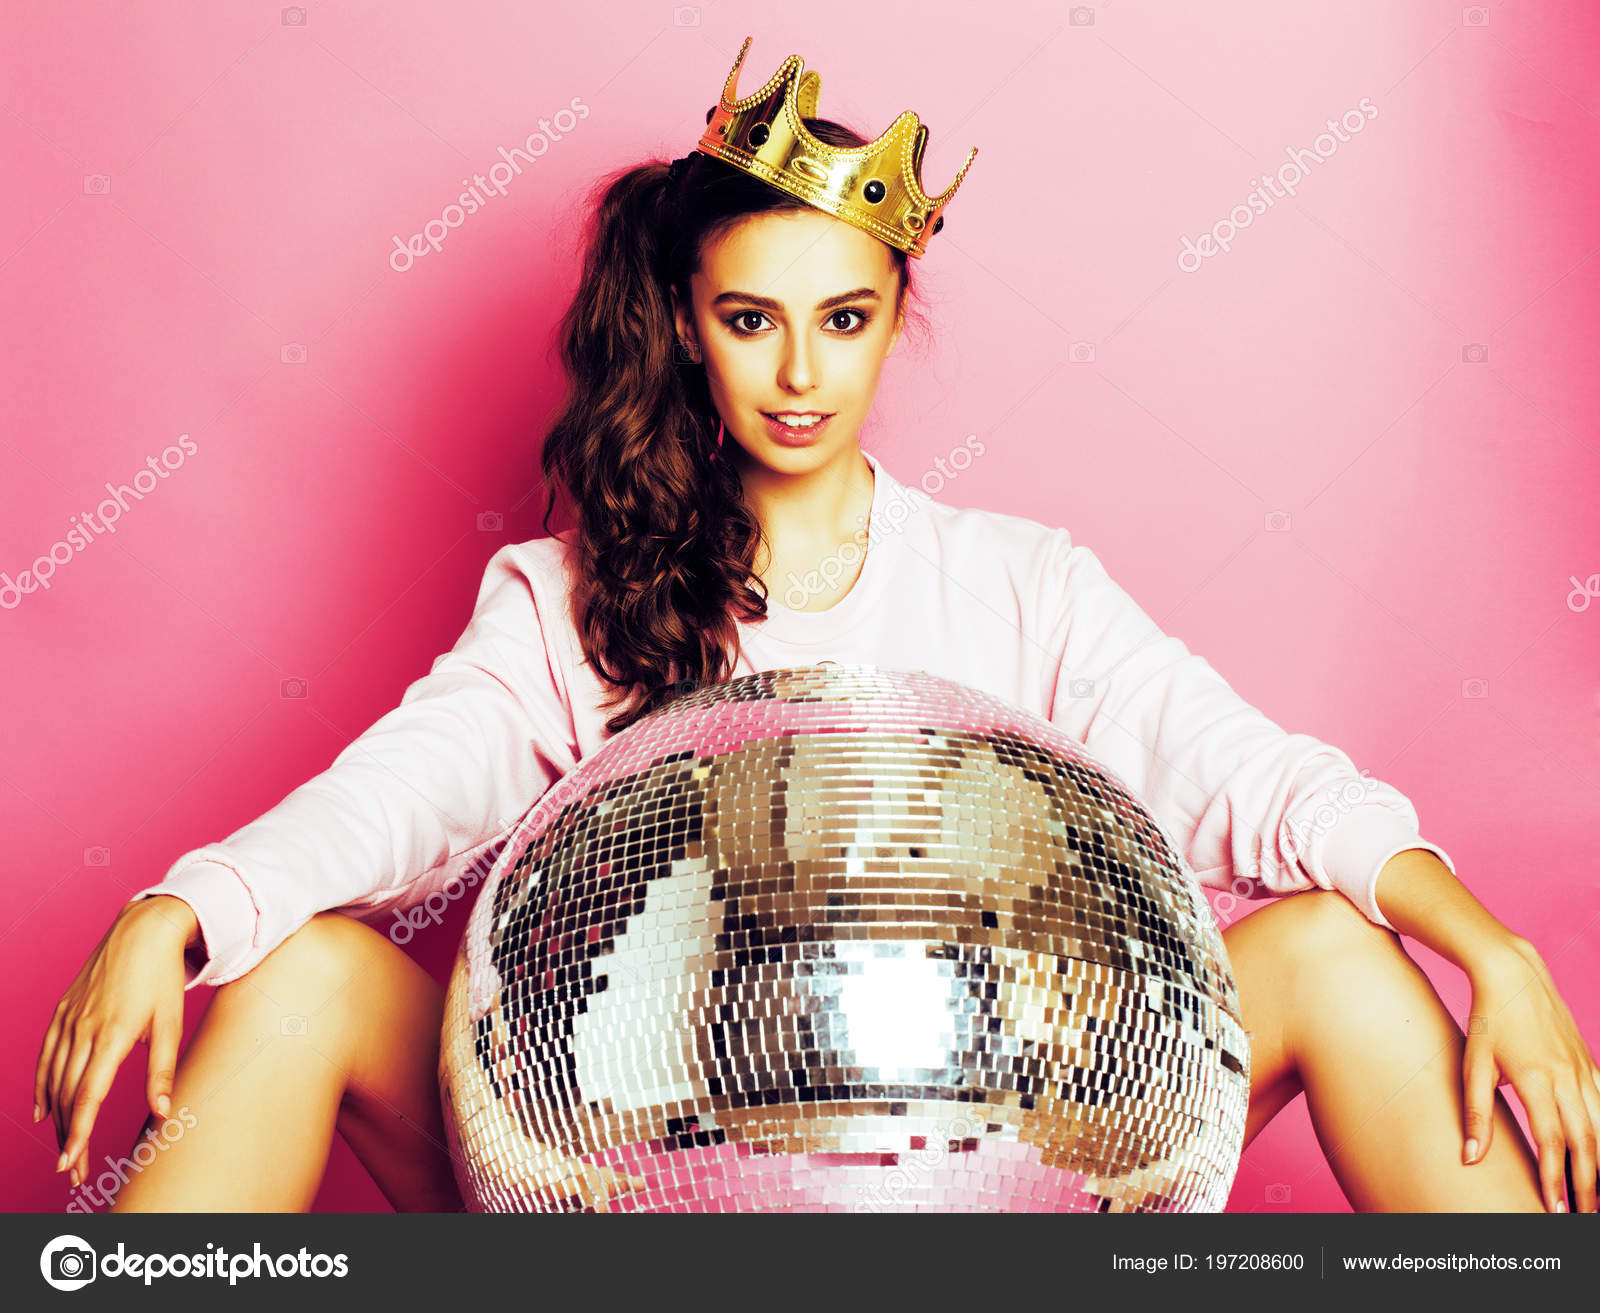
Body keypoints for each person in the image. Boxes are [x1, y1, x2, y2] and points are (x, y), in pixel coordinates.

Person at [35, 38, 1598, 1215]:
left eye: (842, 319)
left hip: (985, 1186)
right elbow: (404, 788)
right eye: (749, 319)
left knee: (1331, 940)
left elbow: (1254, 775)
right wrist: (183, 908)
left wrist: (1492, 946)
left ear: (895, 315)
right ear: (688, 329)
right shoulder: (576, 599)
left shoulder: (1018, 584)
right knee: (305, 971)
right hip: (620, 1183)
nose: (799, 374)